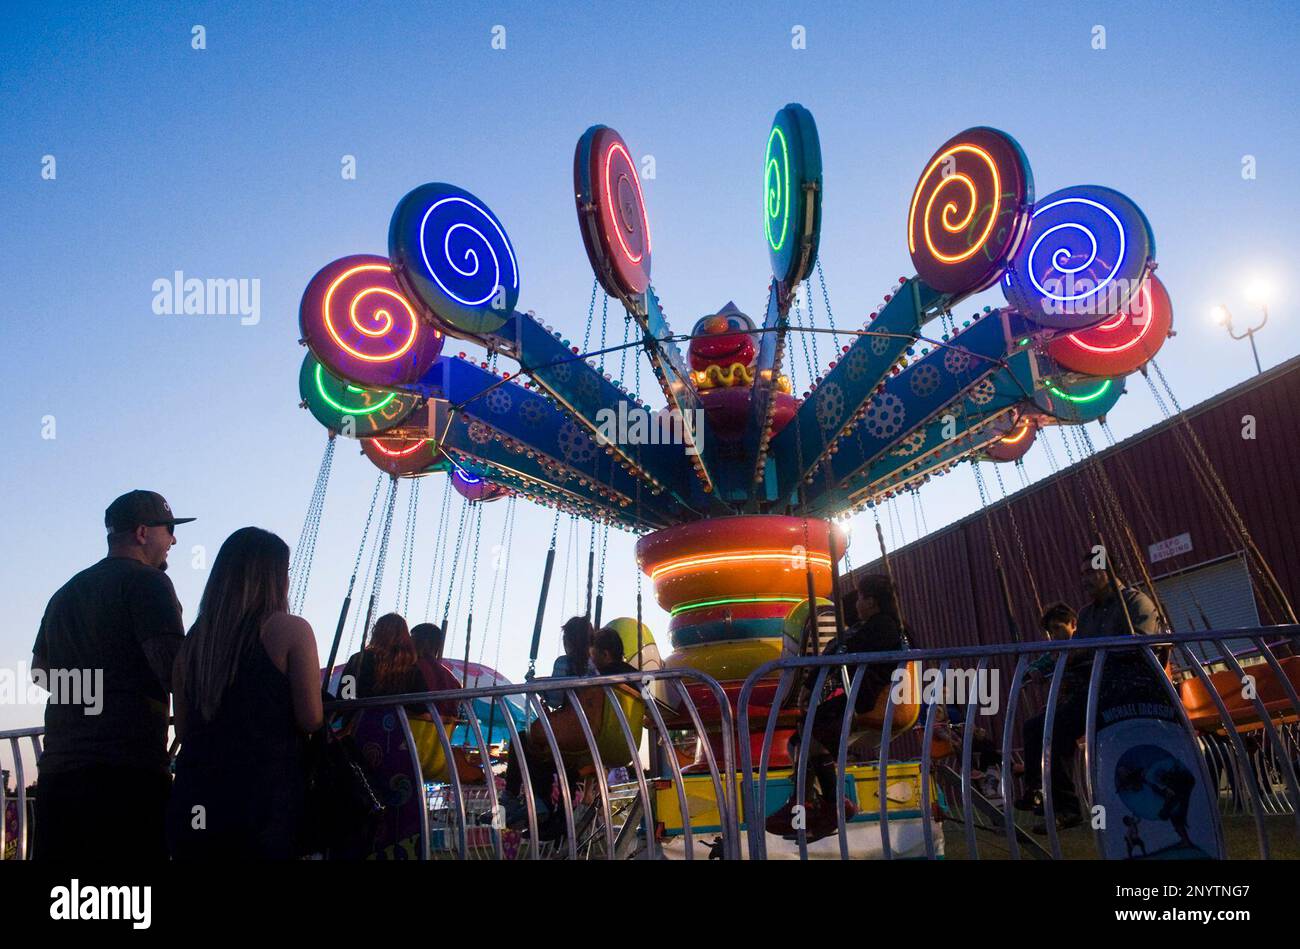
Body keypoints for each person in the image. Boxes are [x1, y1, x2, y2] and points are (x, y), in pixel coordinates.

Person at [31, 490, 192, 861]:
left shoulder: (66, 593)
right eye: (168, 529)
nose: (174, 540)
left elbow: (40, 673)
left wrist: (89, 694)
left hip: (59, 775)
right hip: (126, 776)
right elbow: (174, 672)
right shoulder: (149, 584)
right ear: (141, 532)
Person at [168, 527, 324, 859]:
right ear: (273, 577)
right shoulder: (290, 630)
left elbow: (183, 729)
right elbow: (311, 718)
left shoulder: (193, 643)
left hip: (197, 796)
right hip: (265, 800)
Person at [1016, 556, 1160, 833]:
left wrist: (1089, 653)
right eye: (1082, 573)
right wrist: (1041, 667)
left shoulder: (1135, 603)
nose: (1085, 579)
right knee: (1040, 726)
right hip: (1097, 689)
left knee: (1059, 725)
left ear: (1109, 571)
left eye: (1091, 572)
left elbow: (1141, 643)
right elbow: (1073, 651)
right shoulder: (1086, 615)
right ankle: (1056, 802)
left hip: (1131, 687)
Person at [767, 574, 909, 841]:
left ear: (872, 601)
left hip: (867, 697)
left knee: (809, 733)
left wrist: (809, 685)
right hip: (861, 695)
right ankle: (821, 805)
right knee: (802, 740)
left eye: (861, 598)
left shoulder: (883, 627)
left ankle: (809, 805)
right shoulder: (882, 626)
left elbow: (839, 651)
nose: (857, 604)